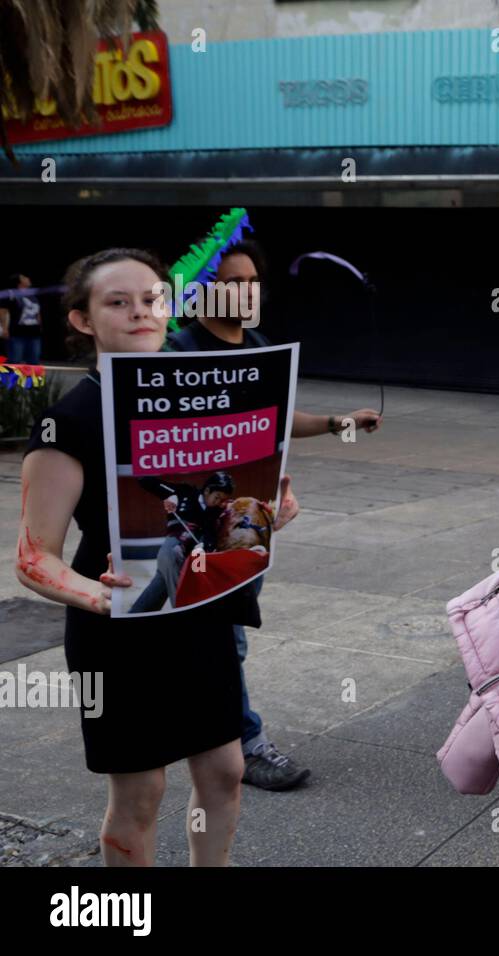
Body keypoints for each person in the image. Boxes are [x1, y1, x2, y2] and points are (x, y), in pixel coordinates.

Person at [15, 248, 246, 865]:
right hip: (117, 630)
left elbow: (231, 492)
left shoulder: (200, 395)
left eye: (152, 299)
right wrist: (101, 597)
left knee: (225, 770)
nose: (142, 312)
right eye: (118, 302)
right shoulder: (70, 421)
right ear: (84, 320)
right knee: (141, 793)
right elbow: (34, 557)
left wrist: (265, 506)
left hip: (200, 609)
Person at [165, 239, 379, 791]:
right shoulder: (176, 352)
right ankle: (242, 741)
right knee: (215, 636)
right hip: (186, 522)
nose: (242, 292)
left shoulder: (259, 345)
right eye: (229, 282)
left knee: (225, 632)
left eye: (250, 282)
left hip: (247, 520)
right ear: (200, 289)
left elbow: (275, 421)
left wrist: (336, 422)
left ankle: (215, 731)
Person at [129, 472, 235, 612]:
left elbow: (212, 541)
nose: (218, 502)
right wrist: (170, 496)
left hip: (196, 560)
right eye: (217, 497)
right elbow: (144, 479)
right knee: (186, 603)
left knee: (153, 598)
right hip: (174, 551)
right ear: (207, 490)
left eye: (223, 500)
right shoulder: (184, 493)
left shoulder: (217, 513)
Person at [7, 273, 43, 364]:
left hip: (34, 331)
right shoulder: (12, 294)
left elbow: (37, 312)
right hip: (18, 332)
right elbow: (4, 311)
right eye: (24, 277)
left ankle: (31, 378)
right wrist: (4, 327)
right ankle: (11, 379)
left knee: (34, 360)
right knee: (15, 360)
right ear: (19, 282)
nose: (28, 278)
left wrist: (40, 325)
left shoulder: (33, 295)